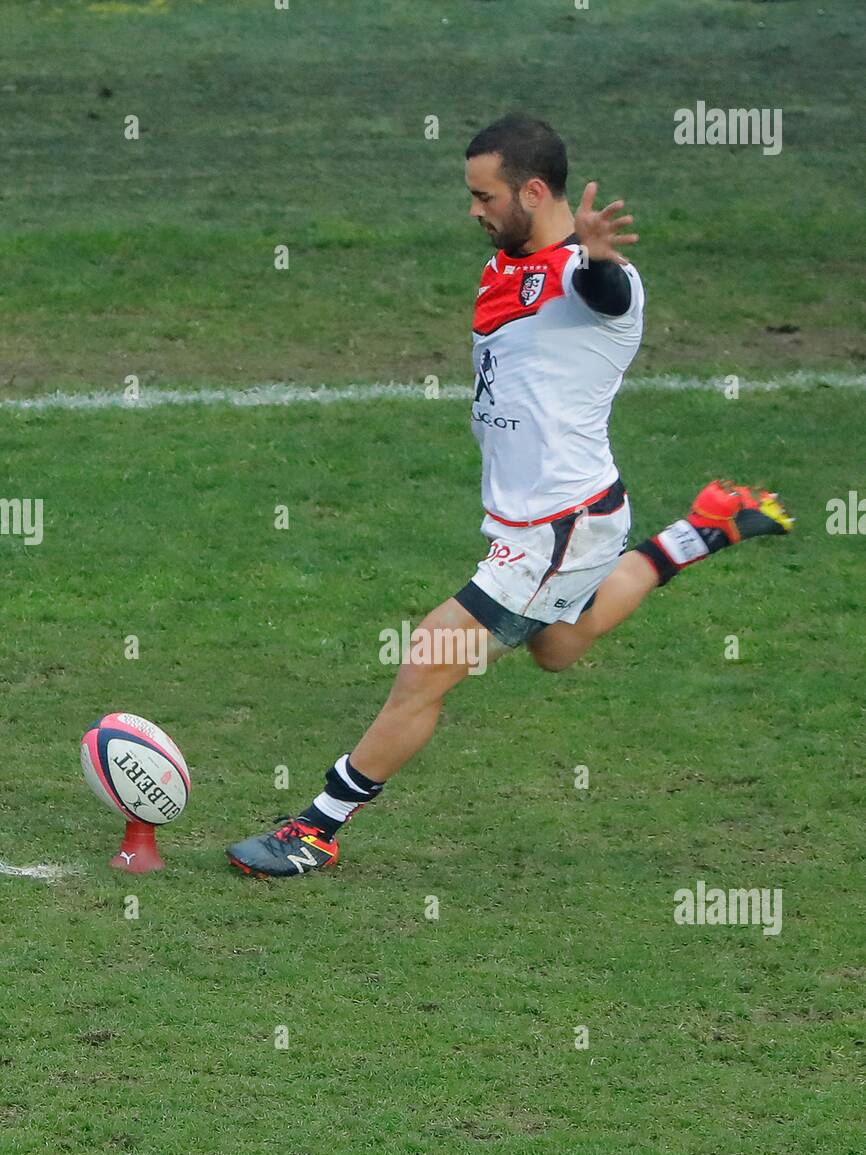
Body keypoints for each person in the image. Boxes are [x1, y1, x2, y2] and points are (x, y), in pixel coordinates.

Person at [227, 113, 792, 879]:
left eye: (484, 195)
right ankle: (703, 528)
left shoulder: (593, 277)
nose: (473, 210)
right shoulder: (508, 261)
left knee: (428, 659)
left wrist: (592, 253)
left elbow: (606, 290)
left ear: (533, 190)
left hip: (554, 527)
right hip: (562, 520)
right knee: (558, 646)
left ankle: (316, 830)